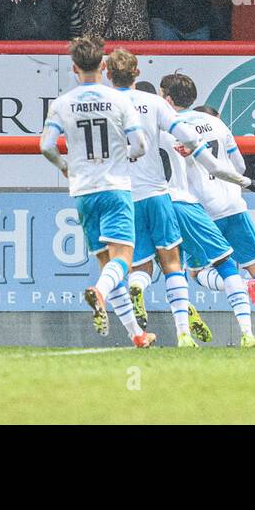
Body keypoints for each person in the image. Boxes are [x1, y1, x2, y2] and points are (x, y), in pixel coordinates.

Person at [105, 51, 255, 348]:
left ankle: (138, 290)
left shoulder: (106, 107)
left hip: (125, 198)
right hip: (170, 198)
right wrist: (248, 182)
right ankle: (233, 333)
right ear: (137, 72)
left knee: (142, 267)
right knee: (193, 264)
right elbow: (213, 162)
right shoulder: (161, 114)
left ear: (107, 71)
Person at [167, 80, 255, 347]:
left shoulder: (172, 127)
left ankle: (243, 285)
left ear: (168, 99)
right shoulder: (216, 123)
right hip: (233, 203)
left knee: (197, 271)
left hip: (201, 210)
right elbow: (238, 165)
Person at [40, 35, 155, 348]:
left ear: (74, 68)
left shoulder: (62, 104)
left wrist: (64, 167)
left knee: (108, 265)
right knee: (123, 261)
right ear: (103, 66)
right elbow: (140, 145)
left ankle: (136, 334)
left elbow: (46, 146)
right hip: (115, 187)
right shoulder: (120, 100)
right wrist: (128, 155)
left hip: (84, 190)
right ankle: (100, 293)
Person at [157, 72, 255, 348]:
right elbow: (220, 167)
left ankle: (181, 333)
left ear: (166, 98)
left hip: (154, 202)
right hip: (188, 203)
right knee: (225, 263)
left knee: (169, 268)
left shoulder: (153, 127)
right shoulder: (196, 125)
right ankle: (246, 332)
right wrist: (249, 183)